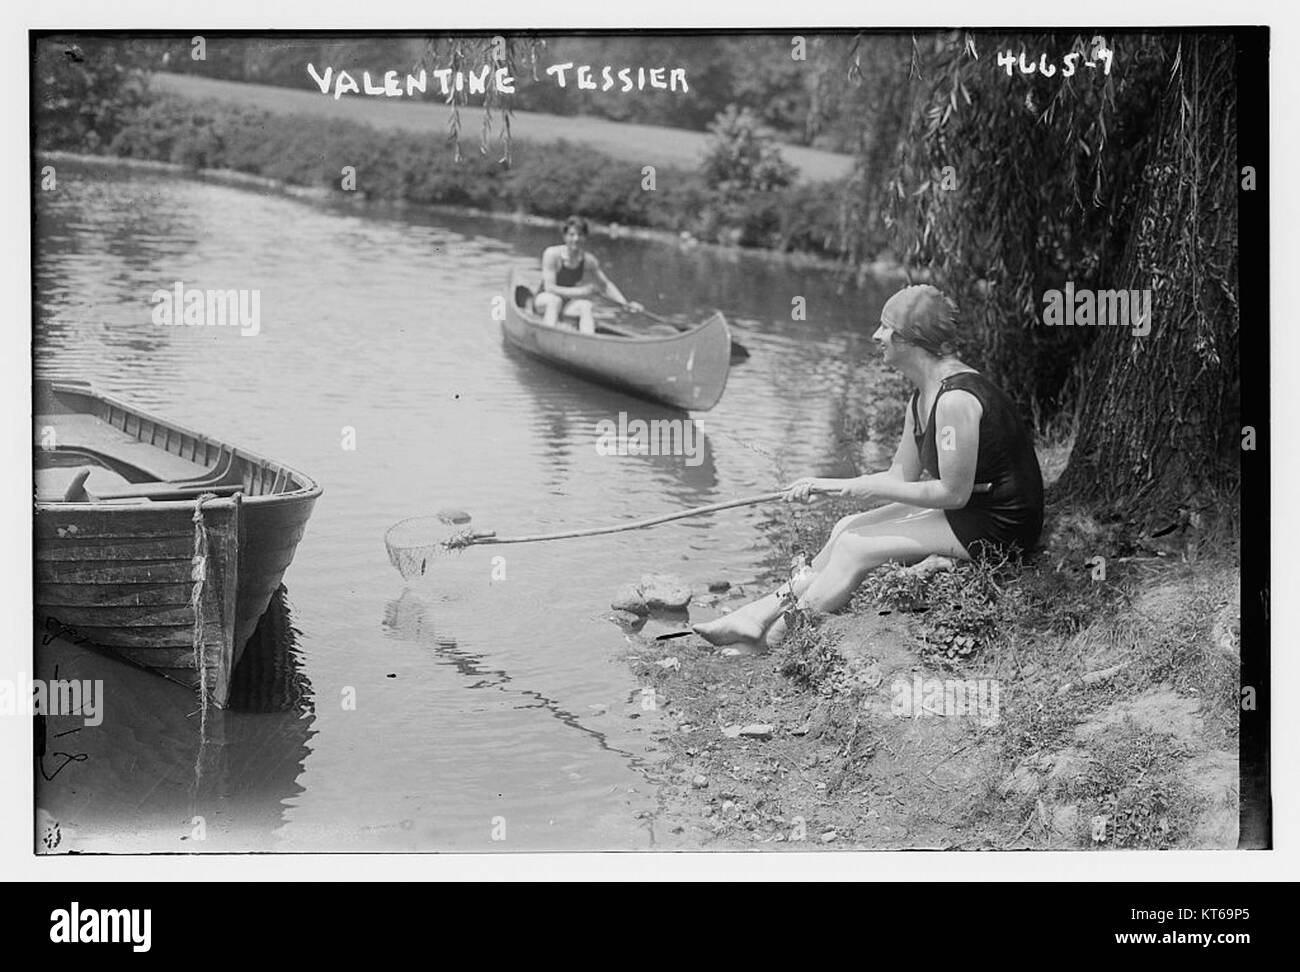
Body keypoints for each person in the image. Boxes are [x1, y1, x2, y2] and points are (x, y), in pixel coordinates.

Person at [694, 284, 1045, 649]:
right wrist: (826, 486)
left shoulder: (954, 401)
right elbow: (900, 476)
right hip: (972, 505)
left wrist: (861, 488)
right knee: (846, 527)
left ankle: (775, 641)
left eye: (885, 327)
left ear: (909, 338)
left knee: (855, 549)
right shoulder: (921, 396)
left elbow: (951, 494)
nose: (877, 336)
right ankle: (758, 616)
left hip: (1000, 522)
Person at [534, 216, 642, 334]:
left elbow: (605, 284)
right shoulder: (552, 254)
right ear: (564, 236)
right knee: (555, 301)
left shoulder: (588, 260)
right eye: (571, 234)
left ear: (585, 237)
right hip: (544, 301)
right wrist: (581, 291)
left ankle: (588, 341)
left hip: (566, 305)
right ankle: (548, 337)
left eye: (580, 235)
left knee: (586, 305)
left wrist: (625, 304)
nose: (576, 239)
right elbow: (550, 288)